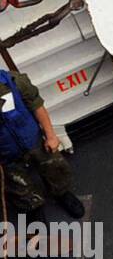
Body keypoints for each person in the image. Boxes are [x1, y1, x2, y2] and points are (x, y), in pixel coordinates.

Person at [1, 67, 83, 220]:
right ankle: (33, 208)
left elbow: (37, 106)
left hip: (34, 140)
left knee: (55, 169)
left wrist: (51, 135)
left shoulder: (13, 81)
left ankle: (62, 193)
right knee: (18, 186)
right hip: (5, 153)